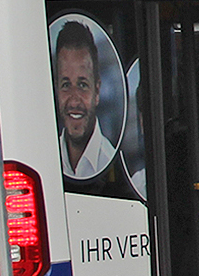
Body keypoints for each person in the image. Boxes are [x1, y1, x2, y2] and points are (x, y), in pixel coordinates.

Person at [55, 19, 142, 202]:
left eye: (82, 85)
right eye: (65, 85)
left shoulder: (111, 162)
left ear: (97, 91)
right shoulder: (48, 162)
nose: (74, 99)